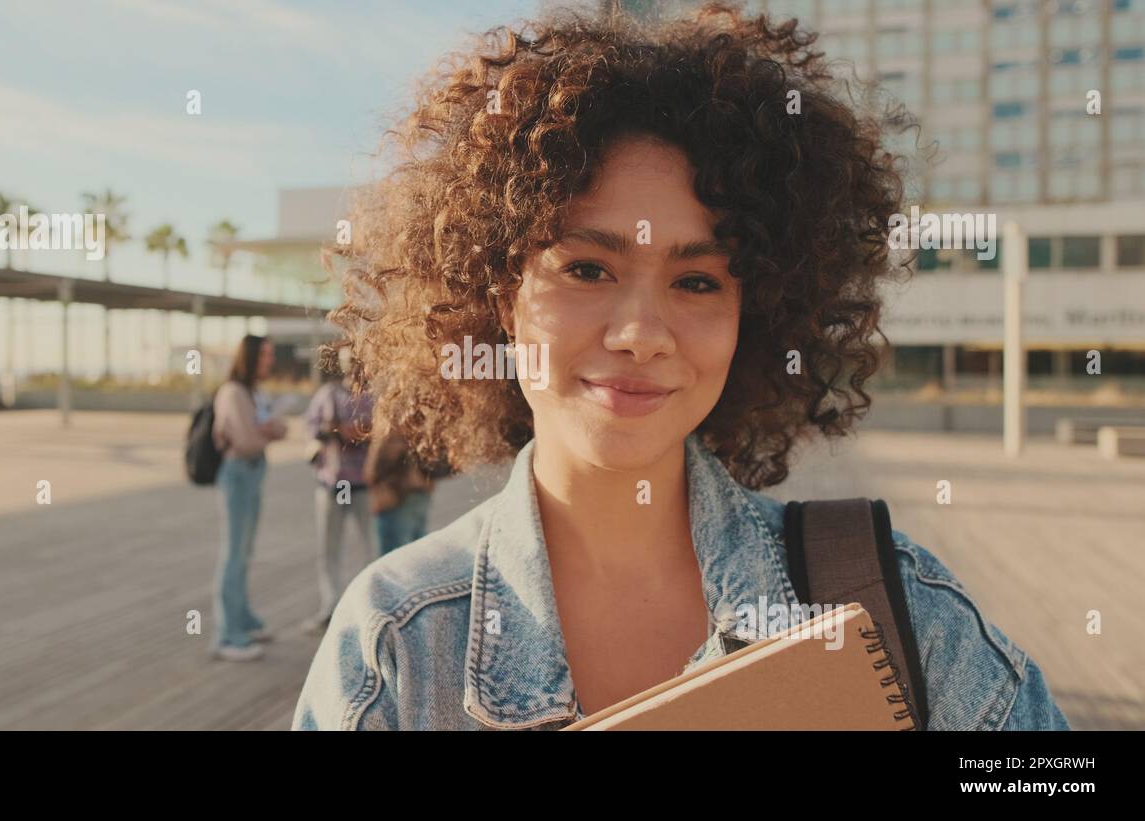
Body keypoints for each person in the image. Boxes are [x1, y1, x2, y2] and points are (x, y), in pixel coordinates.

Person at [293, 3, 1070, 729]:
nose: (640, 333)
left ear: (752, 317)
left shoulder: (899, 607)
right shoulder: (394, 645)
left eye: (696, 281)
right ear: (500, 295)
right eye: (588, 269)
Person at [210, 335, 287, 662]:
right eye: (265, 355)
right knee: (233, 552)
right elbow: (245, 441)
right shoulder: (234, 393)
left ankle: (243, 617)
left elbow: (280, 429)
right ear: (252, 357)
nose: (270, 361)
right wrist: (267, 431)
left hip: (253, 472)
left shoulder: (254, 391)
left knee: (246, 549)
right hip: (238, 473)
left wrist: (267, 431)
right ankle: (227, 634)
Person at [301, 345, 375, 635]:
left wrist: (359, 434)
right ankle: (330, 606)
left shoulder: (374, 397)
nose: (351, 367)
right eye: (347, 362)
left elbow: (382, 432)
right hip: (332, 482)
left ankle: (367, 606)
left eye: (355, 361)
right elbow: (310, 427)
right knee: (329, 547)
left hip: (362, 482)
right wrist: (328, 433)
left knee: (369, 546)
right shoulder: (327, 395)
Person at [364, 426, 435, 556]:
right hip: (416, 493)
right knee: (418, 555)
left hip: (397, 499)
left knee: (394, 559)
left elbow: (374, 469)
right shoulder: (419, 423)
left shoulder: (392, 428)